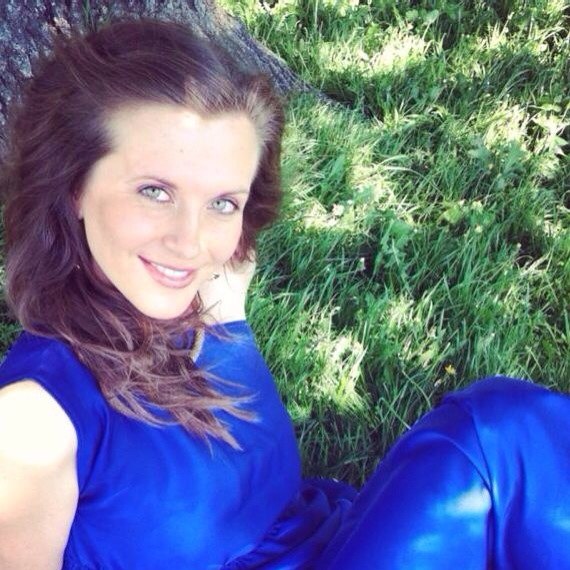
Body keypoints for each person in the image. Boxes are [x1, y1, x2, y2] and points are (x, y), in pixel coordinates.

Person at [0, 17, 569, 570]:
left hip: (338, 540)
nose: (190, 242)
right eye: (154, 191)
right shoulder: (33, 425)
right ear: (73, 186)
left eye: (222, 202)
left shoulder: (208, 295)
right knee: (503, 434)